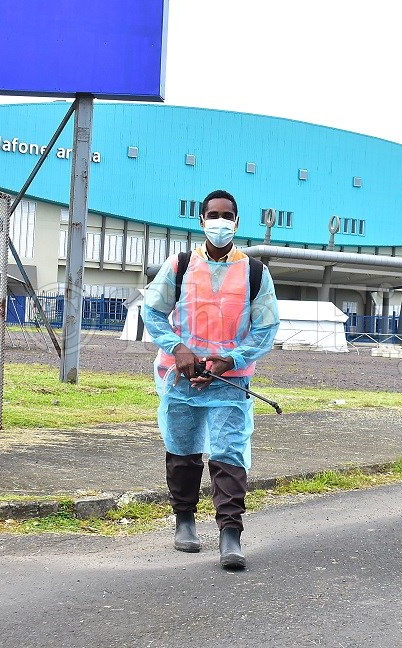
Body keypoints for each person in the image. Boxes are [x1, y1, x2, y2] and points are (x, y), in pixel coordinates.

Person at [141, 189, 280, 570]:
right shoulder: (180, 265)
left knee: (229, 454)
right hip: (181, 378)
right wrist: (178, 348)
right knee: (182, 450)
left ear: (237, 222)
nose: (220, 222)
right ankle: (184, 520)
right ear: (202, 221)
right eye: (213, 215)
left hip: (229, 381)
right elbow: (152, 312)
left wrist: (232, 359)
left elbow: (266, 327)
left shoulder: (254, 272)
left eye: (227, 216)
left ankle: (230, 533)